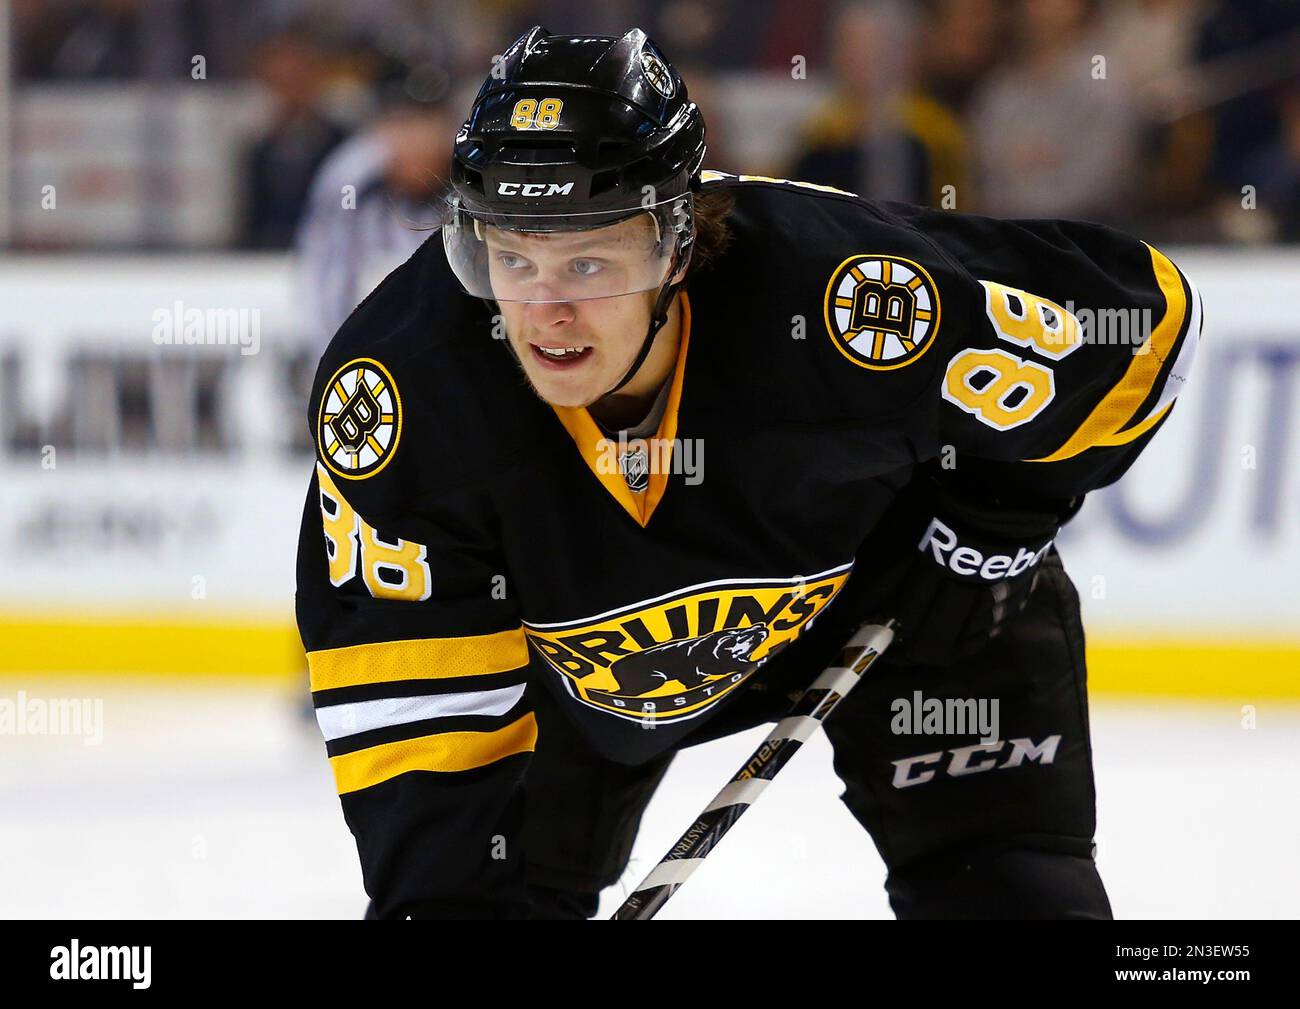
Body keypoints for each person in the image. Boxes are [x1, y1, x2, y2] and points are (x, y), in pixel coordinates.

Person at [295, 26, 1202, 920]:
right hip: (566, 681)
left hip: (901, 595)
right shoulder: (402, 398)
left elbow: (1137, 324)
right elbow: (422, 744)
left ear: (677, 246)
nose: (545, 311)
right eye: (513, 259)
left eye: (589, 260)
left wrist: (989, 530)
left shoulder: (840, 292)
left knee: (1012, 894)